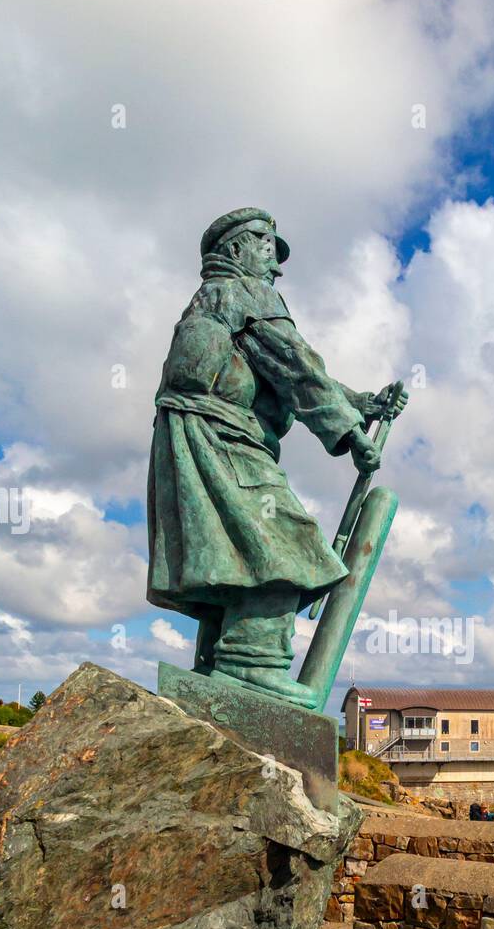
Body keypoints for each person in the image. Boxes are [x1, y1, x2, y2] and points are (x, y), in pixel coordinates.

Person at [147, 206, 407, 705]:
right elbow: (294, 364)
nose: (276, 261)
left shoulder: (217, 297)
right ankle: (251, 665)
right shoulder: (244, 290)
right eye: (267, 245)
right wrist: (352, 434)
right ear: (237, 248)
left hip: (204, 431)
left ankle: (218, 661)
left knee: (233, 550)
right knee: (286, 540)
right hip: (219, 433)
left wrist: (362, 405)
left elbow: (283, 367)